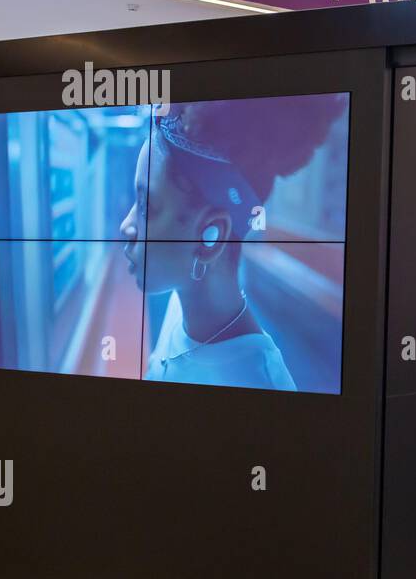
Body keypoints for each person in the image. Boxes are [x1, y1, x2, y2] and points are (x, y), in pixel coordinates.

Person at [119, 100, 342, 390]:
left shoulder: (265, 396)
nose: (126, 226)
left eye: (147, 205)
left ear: (210, 238)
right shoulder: (180, 307)